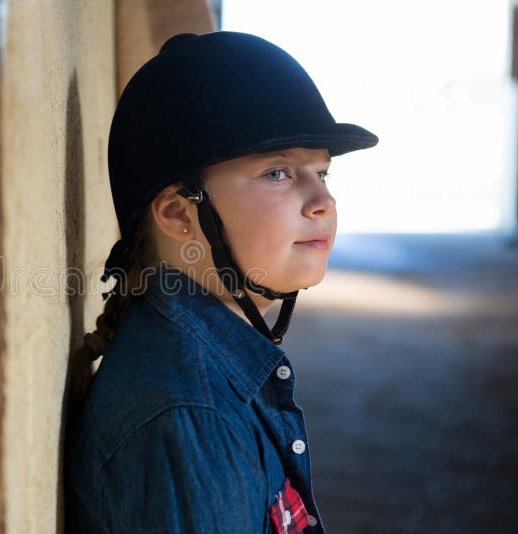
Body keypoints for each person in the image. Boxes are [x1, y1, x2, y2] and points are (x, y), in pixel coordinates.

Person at [64, 31, 378, 533]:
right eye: (277, 173)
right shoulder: (192, 418)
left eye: (322, 172)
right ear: (178, 213)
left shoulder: (201, 368)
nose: (323, 200)